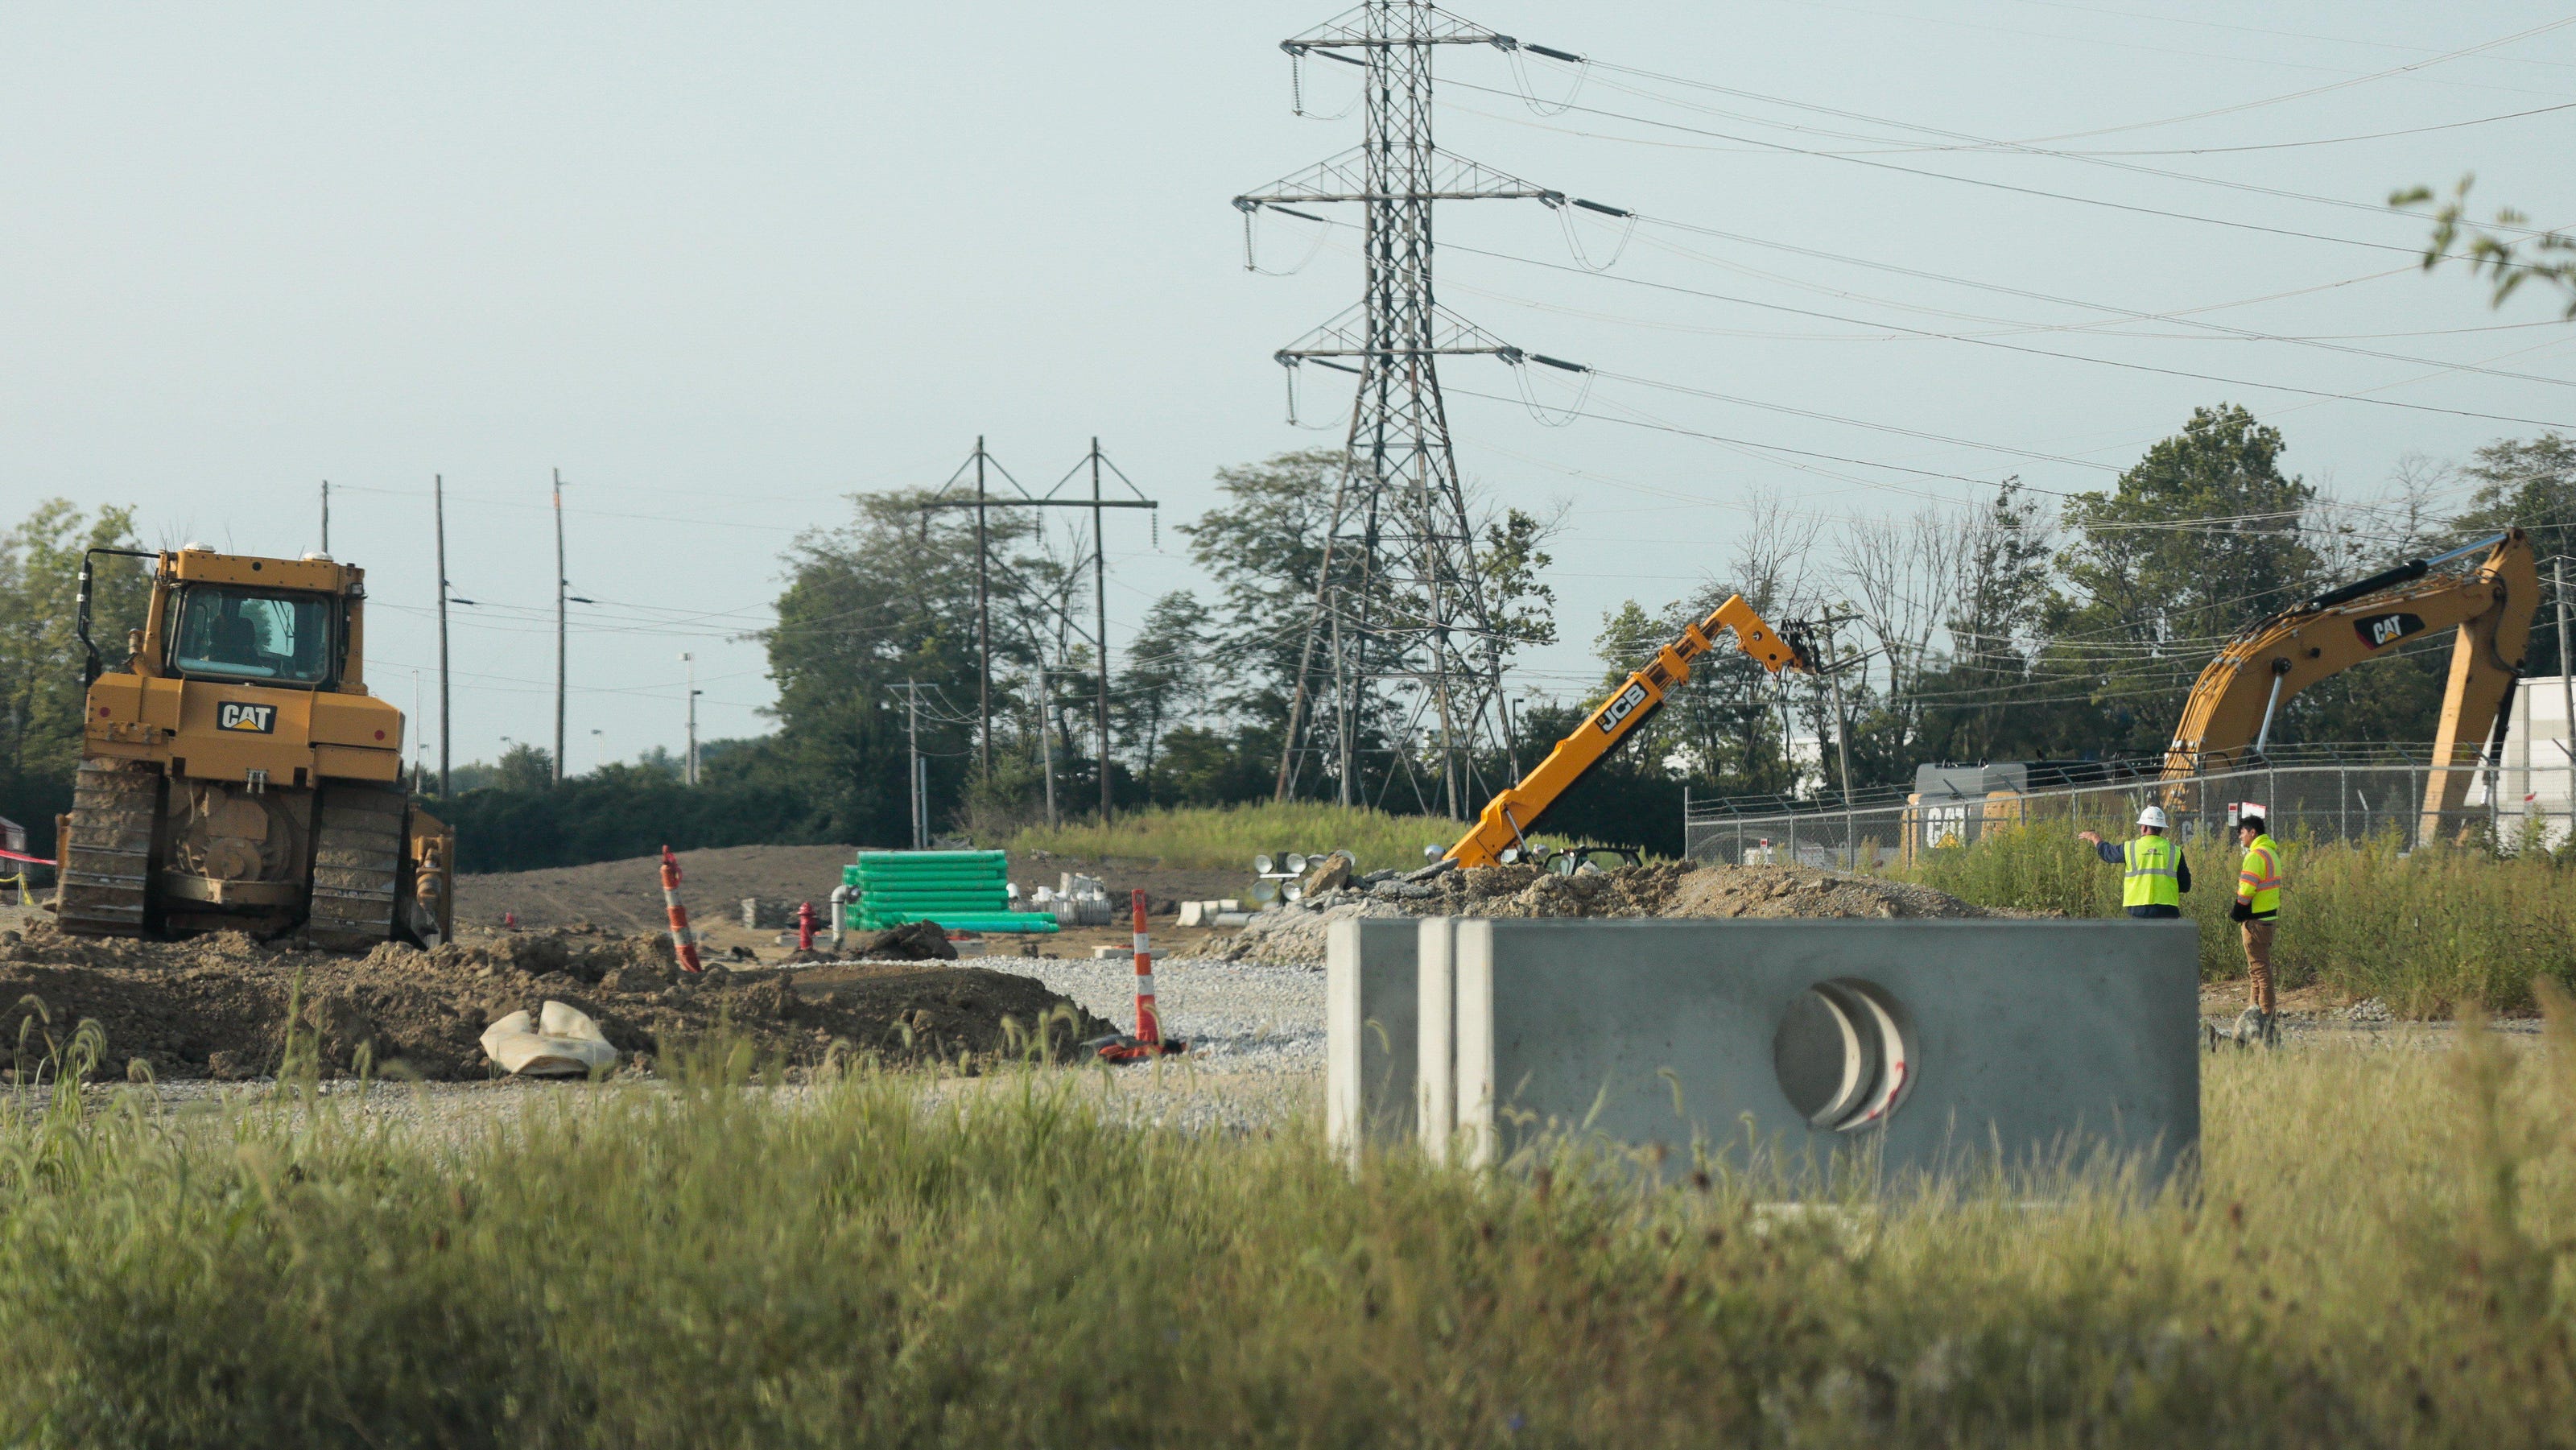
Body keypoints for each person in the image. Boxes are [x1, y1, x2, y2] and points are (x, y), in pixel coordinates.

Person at [2229, 806, 2285, 1046]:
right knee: (2256, 970)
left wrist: (2238, 910)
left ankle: (2266, 1016)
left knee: (2260, 970)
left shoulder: (2254, 856)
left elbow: (2247, 889)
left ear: (2252, 832)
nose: (2240, 837)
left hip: (2255, 920)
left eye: (2241, 832)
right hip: (2268, 918)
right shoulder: (2271, 854)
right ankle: (2254, 1012)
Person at [2077, 806, 2191, 919]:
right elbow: (2185, 886)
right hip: (2168, 910)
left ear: (2144, 828)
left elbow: (2108, 854)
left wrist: (2094, 837)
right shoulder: (2175, 851)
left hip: (2140, 910)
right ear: (2161, 828)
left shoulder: (2131, 848)